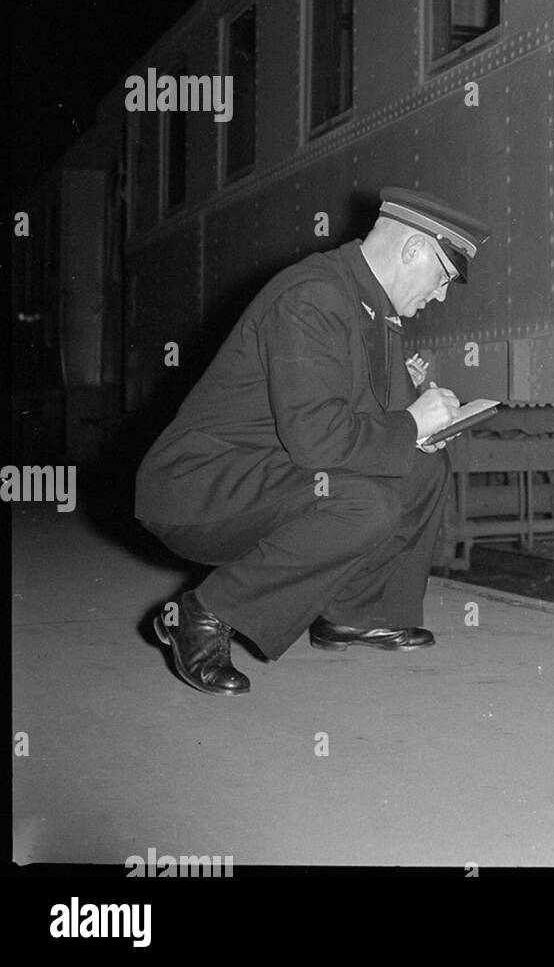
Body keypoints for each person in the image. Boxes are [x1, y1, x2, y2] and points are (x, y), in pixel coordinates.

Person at [135, 187, 490, 696]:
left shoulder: (375, 307)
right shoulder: (311, 294)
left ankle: (358, 615)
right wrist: (410, 423)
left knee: (423, 470)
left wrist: (423, 427)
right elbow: (318, 440)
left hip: (268, 472)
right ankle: (203, 615)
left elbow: (376, 425)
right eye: (444, 279)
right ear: (413, 250)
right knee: (361, 506)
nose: (440, 296)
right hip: (200, 484)